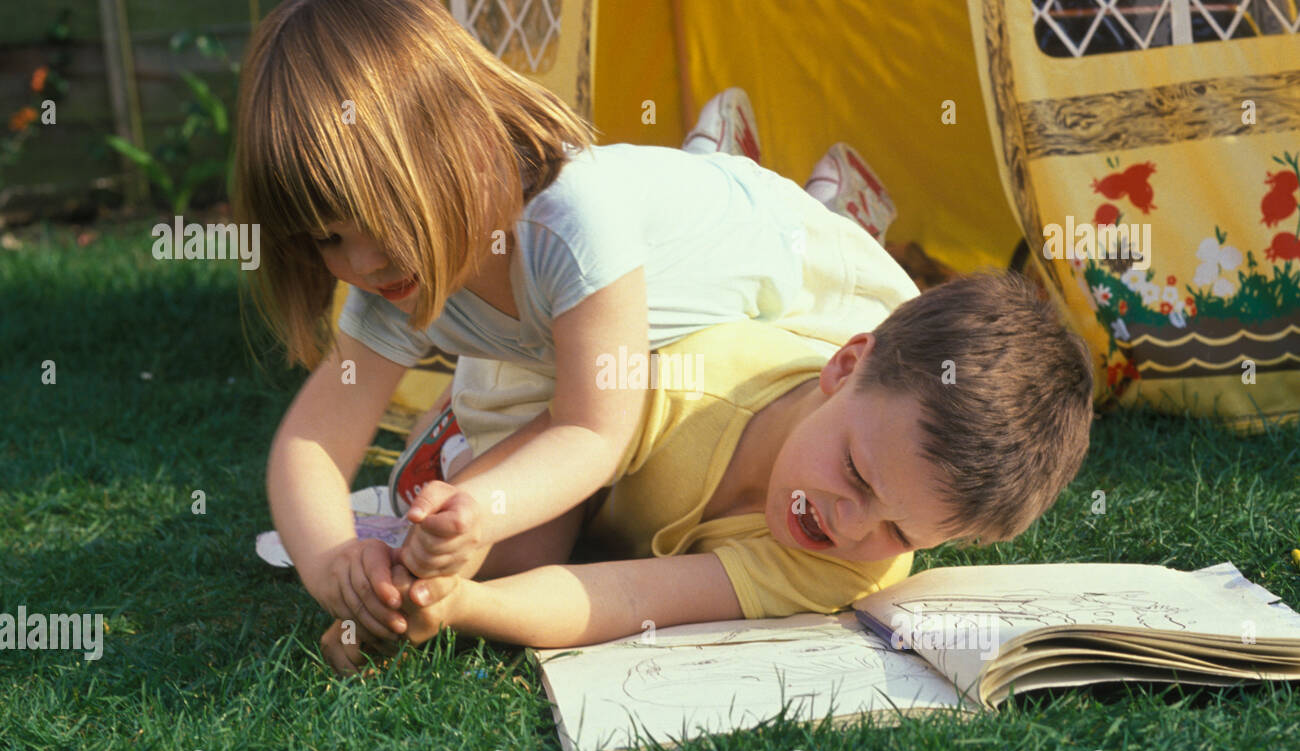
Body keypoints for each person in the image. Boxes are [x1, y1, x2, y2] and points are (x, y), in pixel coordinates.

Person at [240, 0, 918, 648]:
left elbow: (592, 433)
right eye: (327, 238)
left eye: (382, 223)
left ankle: (824, 197)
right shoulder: (396, 274)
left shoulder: (573, 223)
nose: (361, 264)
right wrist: (331, 564)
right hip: (584, 341)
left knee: (877, 374)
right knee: (516, 553)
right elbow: (312, 442)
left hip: (773, 270)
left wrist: (479, 501)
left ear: (463, 145)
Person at [320, 272, 1096, 674]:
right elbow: (551, 438)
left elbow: (629, 595)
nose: (851, 523)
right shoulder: (685, 381)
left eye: (899, 527)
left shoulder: (857, 565)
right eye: (855, 473)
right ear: (844, 366)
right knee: (498, 523)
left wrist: (459, 605)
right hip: (587, 391)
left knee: (502, 564)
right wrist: (433, 556)